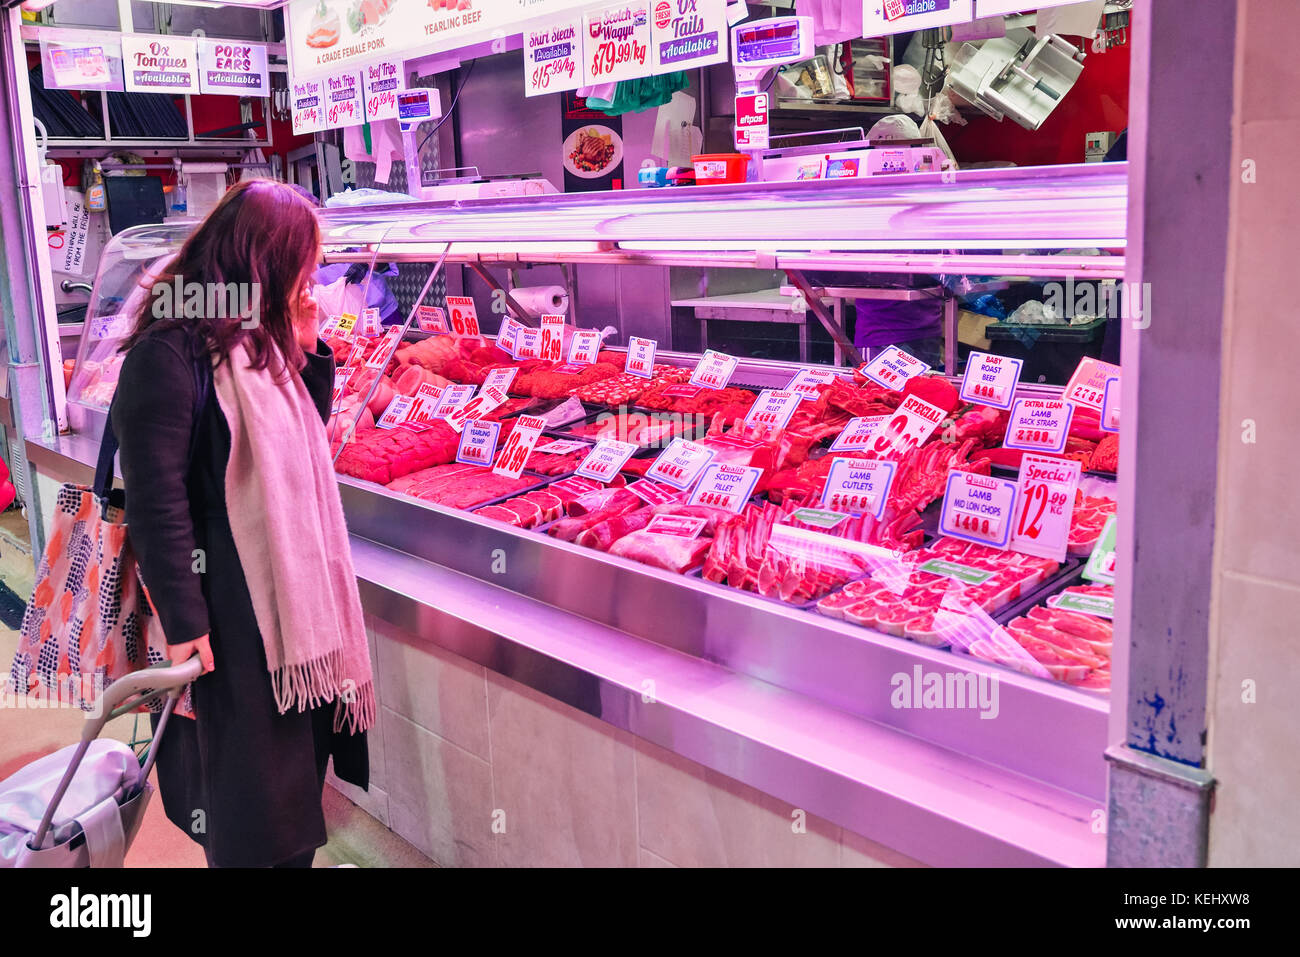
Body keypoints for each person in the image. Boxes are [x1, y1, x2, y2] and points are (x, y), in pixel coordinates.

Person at [111, 180, 373, 868]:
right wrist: (187, 625)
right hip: (225, 617)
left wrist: (310, 344)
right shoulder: (168, 352)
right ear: (263, 261)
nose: (312, 281)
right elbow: (156, 499)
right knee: (248, 809)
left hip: (287, 617)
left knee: (289, 795)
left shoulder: (255, 337)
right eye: (303, 266)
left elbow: (307, 435)